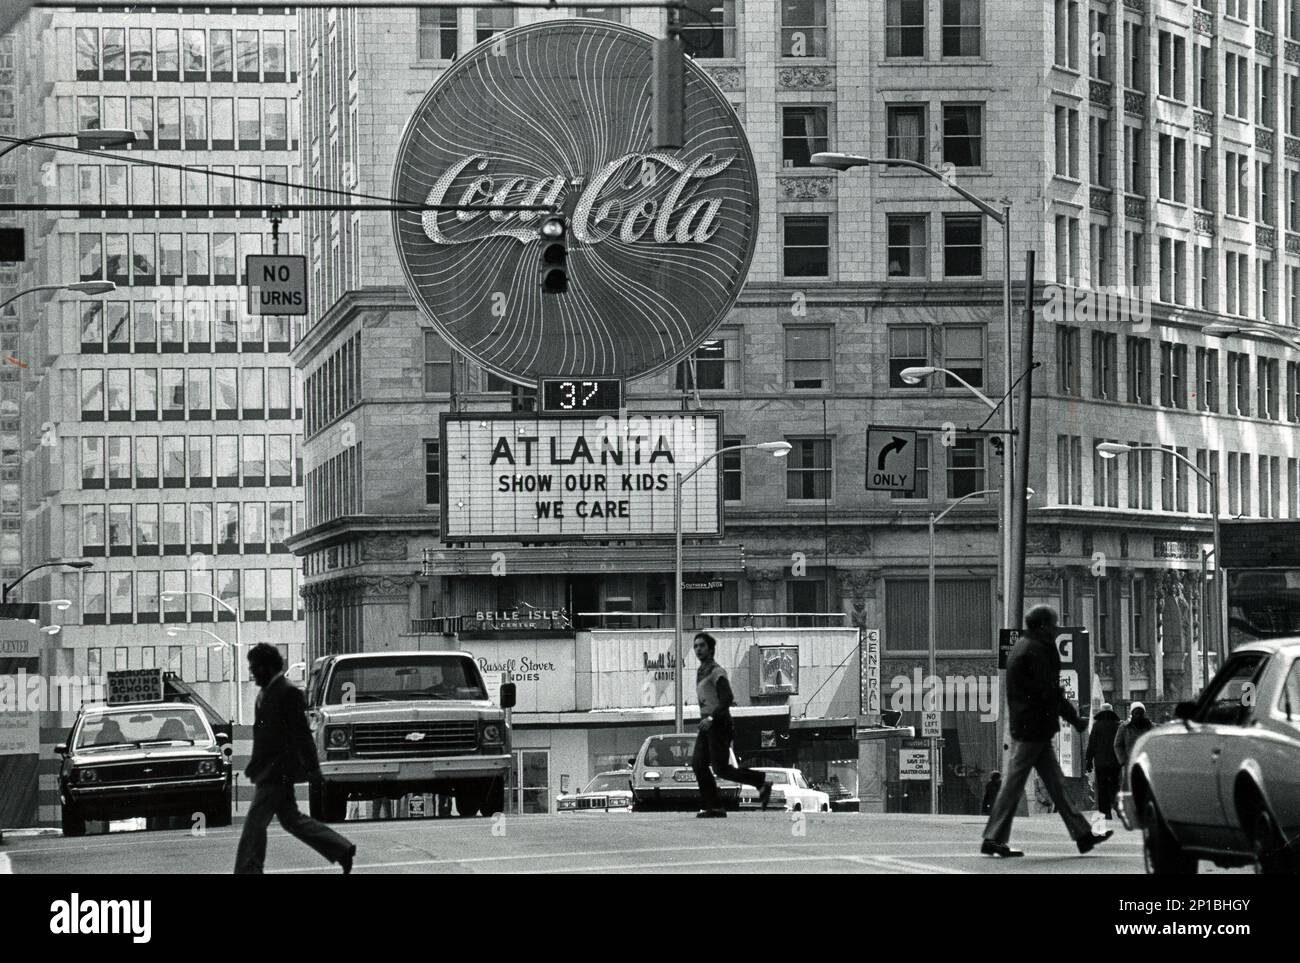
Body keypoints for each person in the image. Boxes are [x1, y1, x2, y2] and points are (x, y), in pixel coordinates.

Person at [980, 605, 1113, 858]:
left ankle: (1083, 835)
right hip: (1034, 727)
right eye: (1053, 624)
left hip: (1029, 724)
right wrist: (1075, 718)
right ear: (1042, 625)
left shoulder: (1022, 645)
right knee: (1013, 784)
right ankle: (993, 837)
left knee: (1056, 784)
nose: (1056, 629)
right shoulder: (1038, 650)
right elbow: (1049, 691)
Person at [235, 642, 357, 875]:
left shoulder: (288, 692)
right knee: (292, 820)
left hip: (278, 771)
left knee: (254, 824)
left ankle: (247, 870)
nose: (252, 673)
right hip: (268, 770)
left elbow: (302, 735)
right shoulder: (266, 693)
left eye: (255, 667)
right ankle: (341, 849)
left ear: (268, 667)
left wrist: (313, 769)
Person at [690, 632, 772, 817]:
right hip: (707, 725)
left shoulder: (717, 672)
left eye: (702, 645)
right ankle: (714, 806)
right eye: (695, 646)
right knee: (698, 764)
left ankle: (759, 781)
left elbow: (727, 698)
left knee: (720, 769)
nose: (698, 649)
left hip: (718, 723)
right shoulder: (701, 671)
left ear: (710, 649)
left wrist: (712, 719)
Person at [1085, 702, 1122, 819]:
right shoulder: (1118, 725)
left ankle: (1106, 813)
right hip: (1115, 762)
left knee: (1102, 787)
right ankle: (1118, 808)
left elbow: (1091, 744)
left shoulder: (1096, 725)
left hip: (1100, 762)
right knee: (1115, 786)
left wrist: (1088, 761)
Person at [1113, 701, 1154, 771]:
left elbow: (1155, 743)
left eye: (1140, 713)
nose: (1138, 716)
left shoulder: (1150, 727)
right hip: (1130, 765)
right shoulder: (1124, 727)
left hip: (1147, 764)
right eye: (1136, 713)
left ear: (1144, 714)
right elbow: (1118, 745)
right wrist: (1123, 760)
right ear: (1132, 713)